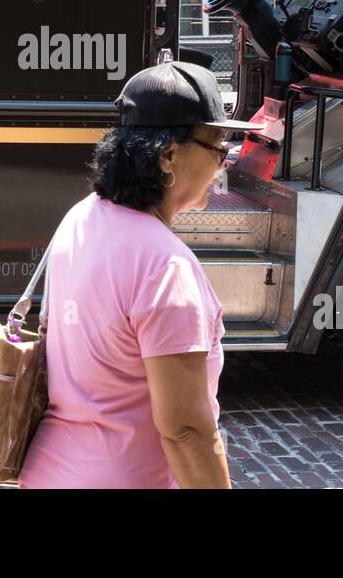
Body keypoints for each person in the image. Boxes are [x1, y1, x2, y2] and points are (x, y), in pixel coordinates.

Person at [20, 60, 256, 489]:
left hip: (49, 473)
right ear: (169, 155)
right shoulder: (167, 268)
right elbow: (186, 433)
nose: (224, 163)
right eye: (219, 147)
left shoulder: (81, 216)